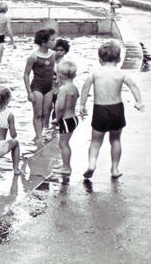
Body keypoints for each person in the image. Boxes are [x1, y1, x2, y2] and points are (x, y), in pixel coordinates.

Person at [79, 41, 145, 179]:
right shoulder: (121, 74)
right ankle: (115, 169)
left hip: (100, 110)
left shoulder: (95, 73)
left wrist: (82, 105)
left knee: (96, 141)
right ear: (119, 59)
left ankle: (91, 164)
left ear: (100, 59)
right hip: (116, 109)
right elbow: (133, 87)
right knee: (115, 140)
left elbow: (85, 88)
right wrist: (139, 102)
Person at [23, 28, 56, 139]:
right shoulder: (33, 57)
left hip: (49, 87)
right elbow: (26, 74)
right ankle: (38, 137)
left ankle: (40, 134)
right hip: (37, 87)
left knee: (45, 113)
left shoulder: (53, 54)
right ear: (43, 42)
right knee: (37, 113)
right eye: (52, 40)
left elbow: (58, 69)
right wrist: (29, 92)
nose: (54, 42)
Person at [53, 60, 80, 175]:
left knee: (63, 144)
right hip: (73, 117)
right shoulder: (73, 87)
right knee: (65, 143)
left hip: (65, 120)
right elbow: (76, 97)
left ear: (60, 75)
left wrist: (57, 119)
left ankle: (66, 167)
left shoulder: (63, 90)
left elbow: (60, 108)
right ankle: (65, 164)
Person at [50, 38, 70, 122]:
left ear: (65, 51)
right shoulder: (51, 61)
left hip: (60, 89)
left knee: (57, 108)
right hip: (50, 88)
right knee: (47, 109)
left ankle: (55, 129)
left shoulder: (66, 63)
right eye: (57, 50)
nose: (59, 52)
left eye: (61, 50)